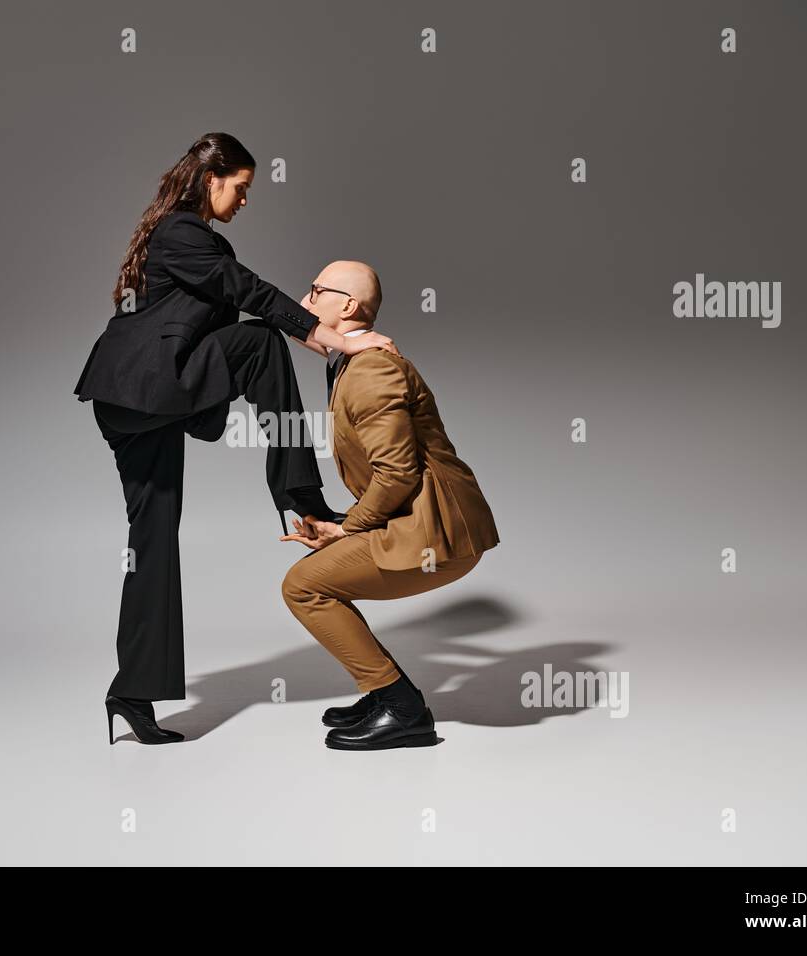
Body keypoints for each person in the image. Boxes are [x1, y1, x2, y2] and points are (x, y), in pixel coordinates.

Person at [73, 133, 398, 745]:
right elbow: (247, 291)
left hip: (136, 403)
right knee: (260, 344)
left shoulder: (186, 239)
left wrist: (323, 340)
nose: (245, 200)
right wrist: (338, 340)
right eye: (241, 188)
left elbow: (233, 300)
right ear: (211, 177)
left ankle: (132, 694)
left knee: (153, 542)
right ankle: (300, 495)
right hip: (146, 392)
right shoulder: (179, 232)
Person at [280, 260, 499, 750]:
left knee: (303, 586)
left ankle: (402, 708)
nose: (307, 297)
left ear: (349, 306)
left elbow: (397, 473)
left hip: (435, 532)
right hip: (418, 521)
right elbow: (296, 327)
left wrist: (348, 529)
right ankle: (384, 694)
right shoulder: (350, 359)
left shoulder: (371, 368)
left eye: (317, 290)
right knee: (317, 576)